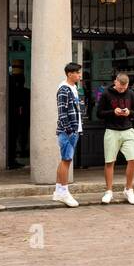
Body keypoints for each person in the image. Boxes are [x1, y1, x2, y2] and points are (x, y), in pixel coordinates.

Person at [96, 71, 134, 205]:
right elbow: (99, 113)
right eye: (120, 87)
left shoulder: (131, 93)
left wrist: (129, 112)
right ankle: (109, 191)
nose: (122, 90)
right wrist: (112, 112)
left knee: (133, 160)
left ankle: (129, 189)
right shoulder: (106, 94)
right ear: (115, 82)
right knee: (110, 162)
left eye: (124, 88)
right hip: (112, 131)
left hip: (128, 130)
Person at [52, 62, 84, 207]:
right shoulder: (64, 89)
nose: (79, 75)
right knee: (66, 160)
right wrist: (69, 130)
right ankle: (64, 192)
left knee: (65, 160)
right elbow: (62, 112)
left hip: (74, 130)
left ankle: (58, 191)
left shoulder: (74, 88)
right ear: (70, 74)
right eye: (77, 73)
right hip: (67, 131)